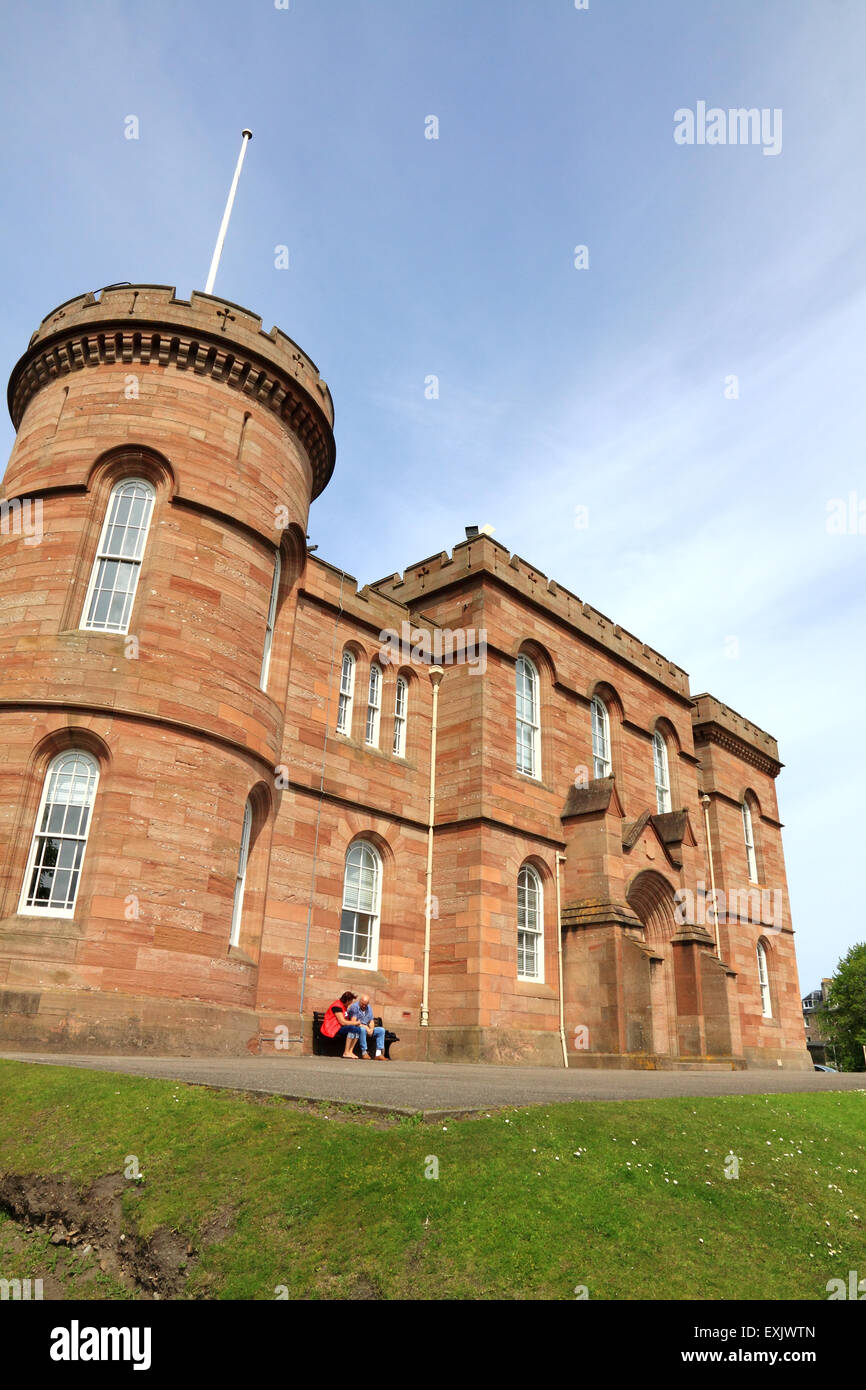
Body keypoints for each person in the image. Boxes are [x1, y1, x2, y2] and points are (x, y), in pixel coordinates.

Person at [320, 991, 364, 1059]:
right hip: (333, 1028)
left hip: (339, 1026)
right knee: (352, 1029)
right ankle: (346, 1052)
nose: (350, 1003)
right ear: (347, 1000)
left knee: (357, 1029)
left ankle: (350, 1051)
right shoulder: (337, 1006)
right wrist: (355, 1023)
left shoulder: (344, 1006)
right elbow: (342, 1022)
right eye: (350, 1001)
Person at [347, 994, 388, 1060]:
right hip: (357, 1028)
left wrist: (371, 1029)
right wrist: (366, 1027)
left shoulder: (369, 1008)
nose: (363, 1006)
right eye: (362, 1004)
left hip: (367, 1029)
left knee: (381, 1030)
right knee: (362, 1029)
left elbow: (371, 1021)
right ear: (360, 1001)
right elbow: (353, 1022)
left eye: (365, 1004)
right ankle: (364, 1052)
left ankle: (378, 1054)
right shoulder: (354, 1007)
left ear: (368, 1003)